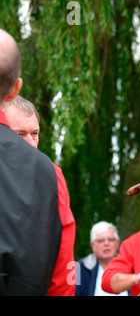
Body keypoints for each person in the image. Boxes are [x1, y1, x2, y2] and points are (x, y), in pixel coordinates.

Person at [0, 28, 75, 295]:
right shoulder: (50, 175)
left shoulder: (49, 172)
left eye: (35, 134)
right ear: (13, 89)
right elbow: (62, 270)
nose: (30, 142)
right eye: (20, 133)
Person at [76, 222, 128, 296]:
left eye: (110, 239)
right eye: (101, 240)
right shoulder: (80, 268)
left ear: (117, 243)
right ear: (92, 245)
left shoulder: (130, 265)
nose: (106, 244)